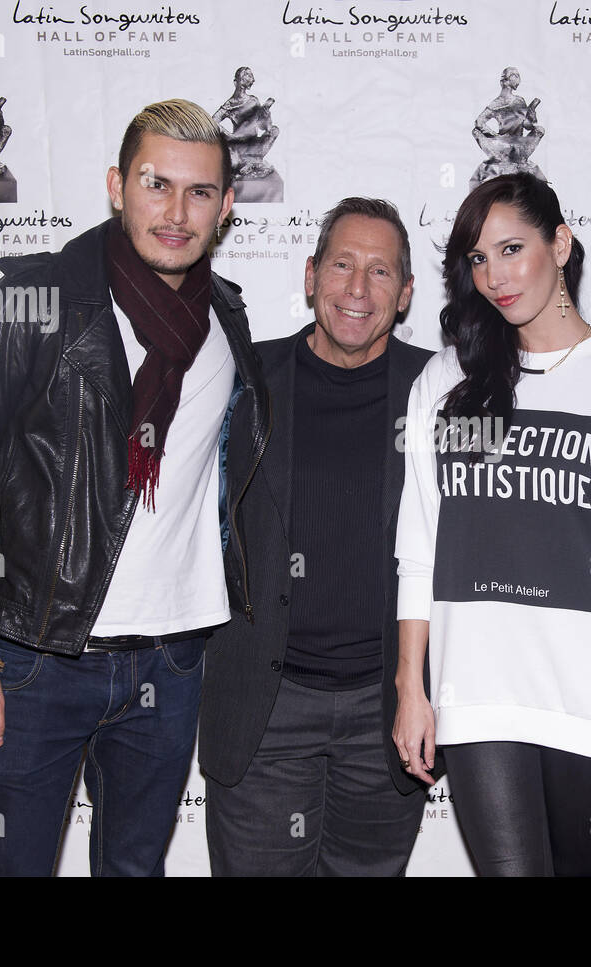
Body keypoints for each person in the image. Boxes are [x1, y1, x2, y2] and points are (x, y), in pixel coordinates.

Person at [0, 99, 268, 876]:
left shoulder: (226, 319)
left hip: (173, 662)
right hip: (34, 659)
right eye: (155, 184)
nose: (176, 212)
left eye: (199, 192)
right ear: (117, 186)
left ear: (226, 207)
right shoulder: (34, 300)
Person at [394, 173, 591, 877]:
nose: (494, 276)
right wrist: (411, 685)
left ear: (560, 243)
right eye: (478, 258)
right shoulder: (445, 381)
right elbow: (420, 544)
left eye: (512, 249)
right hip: (477, 690)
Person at [200, 198, 431, 876]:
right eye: (341, 265)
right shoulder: (242, 379)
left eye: (380, 271)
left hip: (389, 708)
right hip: (266, 706)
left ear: (405, 293)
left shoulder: (440, 391)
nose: (358, 288)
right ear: (310, 276)